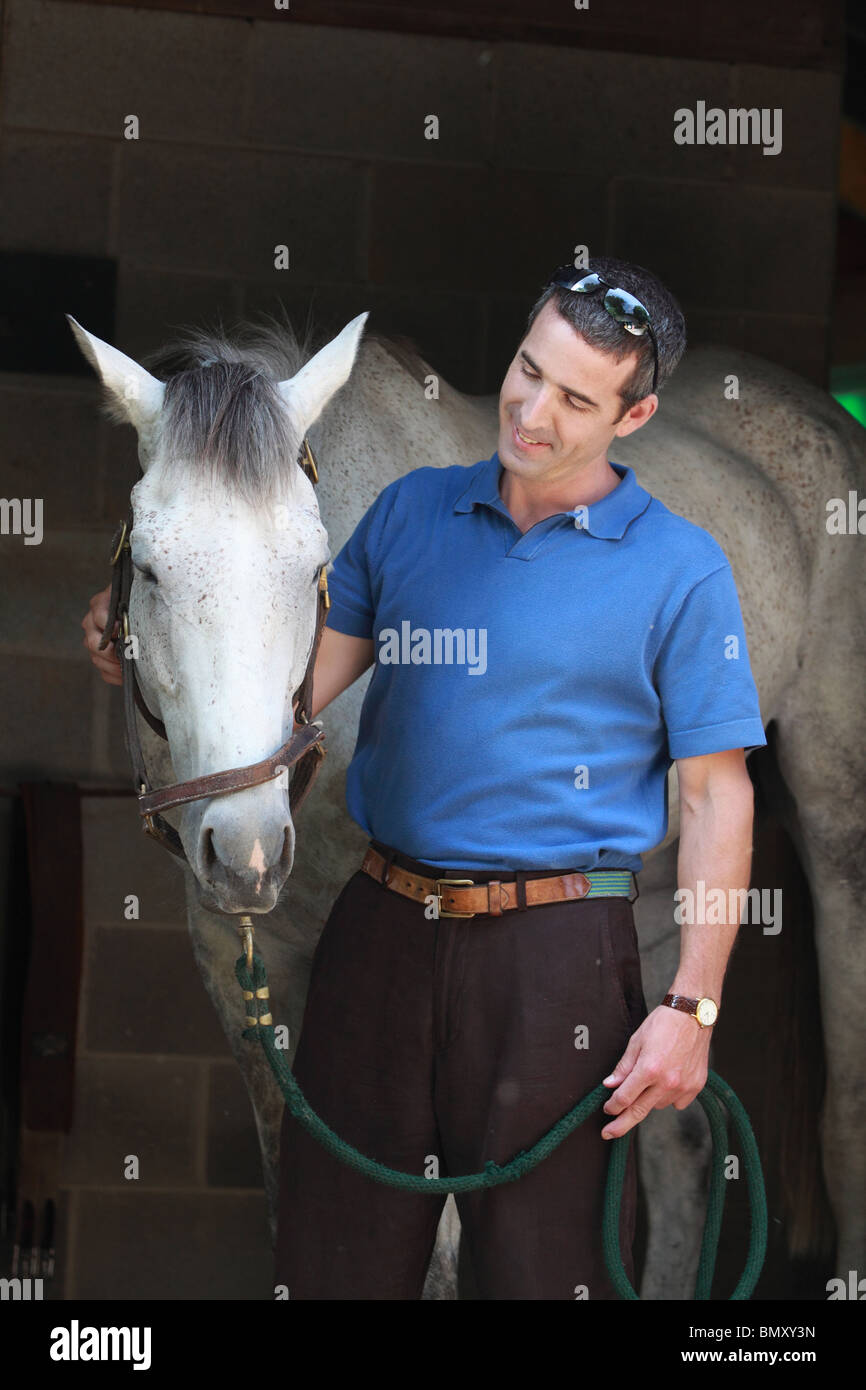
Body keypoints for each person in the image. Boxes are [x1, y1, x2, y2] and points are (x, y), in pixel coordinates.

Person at [83, 257, 766, 1300]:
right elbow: (290, 696)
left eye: (574, 398)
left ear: (634, 419)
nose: (531, 411)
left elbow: (718, 795)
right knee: (332, 1264)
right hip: (381, 934)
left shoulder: (679, 568)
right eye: (527, 369)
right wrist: (151, 631)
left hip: (554, 959)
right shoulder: (408, 514)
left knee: (542, 1275)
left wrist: (693, 1003)